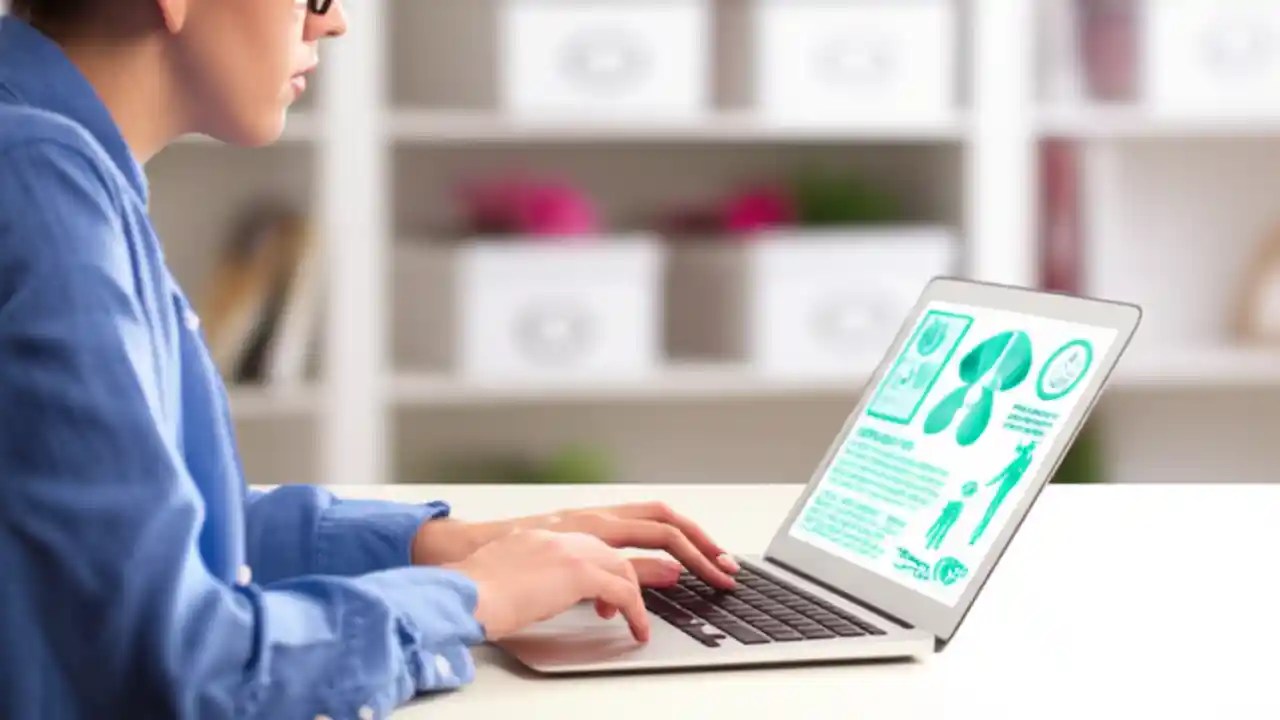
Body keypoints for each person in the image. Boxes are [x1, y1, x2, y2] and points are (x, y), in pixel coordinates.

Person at [0, 2, 740, 718]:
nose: (335, 20)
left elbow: (137, 543)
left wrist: (441, 546)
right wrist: (474, 598)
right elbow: (176, 667)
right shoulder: (39, 184)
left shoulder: (48, 155)